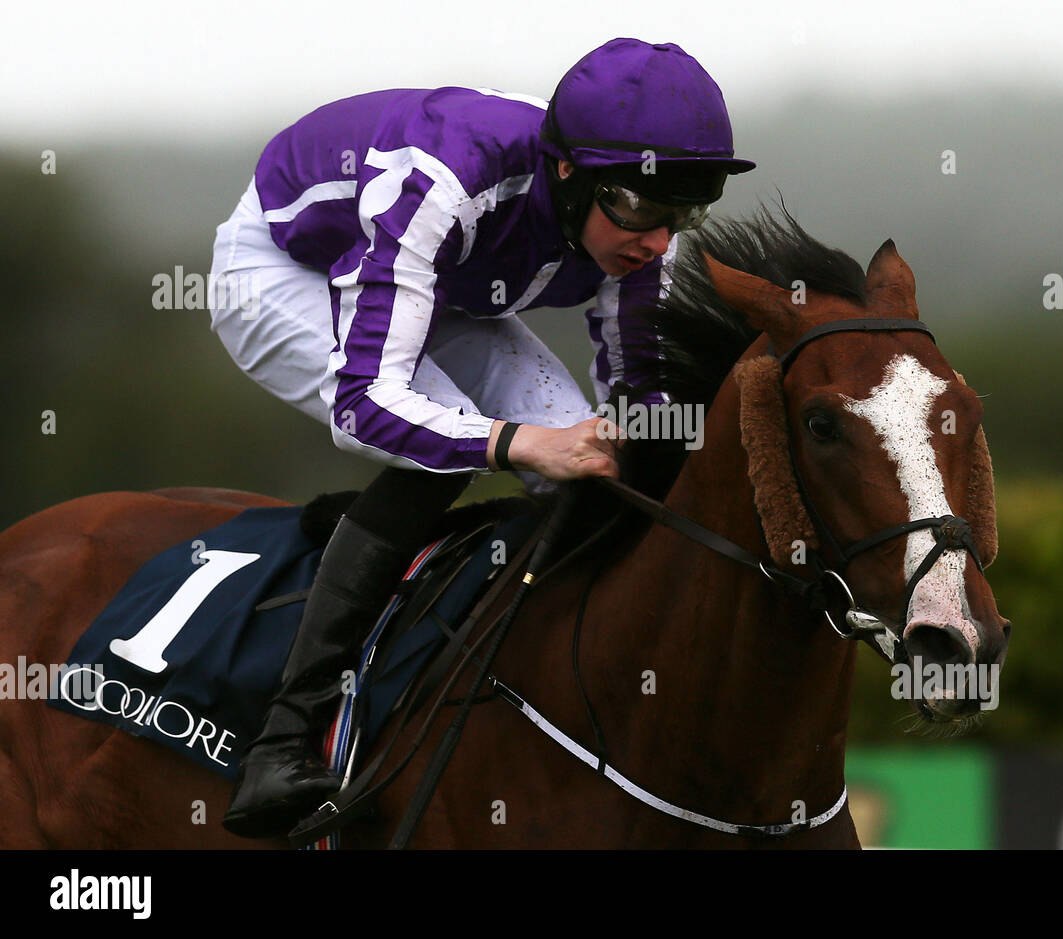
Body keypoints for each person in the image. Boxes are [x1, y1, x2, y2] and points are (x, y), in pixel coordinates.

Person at [207, 37, 756, 838]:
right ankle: (284, 737)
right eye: (639, 210)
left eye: (682, 212)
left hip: (442, 282)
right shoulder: (443, 179)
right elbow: (367, 403)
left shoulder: (636, 234)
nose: (656, 242)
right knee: (442, 453)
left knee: (593, 469)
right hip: (286, 264)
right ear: (568, 171)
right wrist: (515, 444)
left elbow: (640, 409)